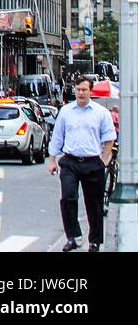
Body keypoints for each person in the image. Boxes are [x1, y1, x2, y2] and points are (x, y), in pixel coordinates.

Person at [47, 77, 117, 252]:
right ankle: (73, 236)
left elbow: (109, 138)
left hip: (93, 161)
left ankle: (95, 241)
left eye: (84, 90)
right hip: (70, 161)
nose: (81, 93)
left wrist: (103, 160)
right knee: (68, 197)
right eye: (78, 89)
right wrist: (52, 159)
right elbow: (57, 136)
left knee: (94, 203)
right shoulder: (66, 111)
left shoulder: (100, 112)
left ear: (90, 92)